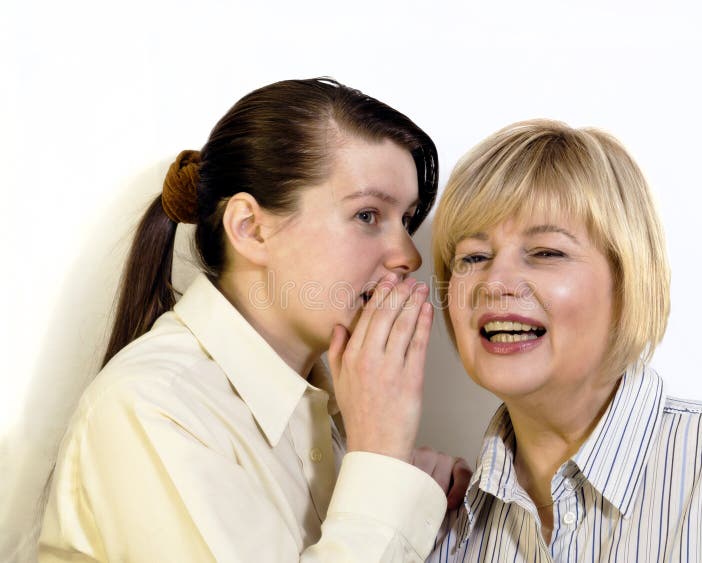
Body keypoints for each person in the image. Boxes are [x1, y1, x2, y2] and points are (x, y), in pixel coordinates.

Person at [39, 78, 470, 562]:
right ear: (251, 229)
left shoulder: (330, 415)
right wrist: (381, 462)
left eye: (408, 219)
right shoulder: (153, 407)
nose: (408, 255)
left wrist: (402, 488)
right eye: (368, 215)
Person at [428, 119, 702, 561]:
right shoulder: (439, 524)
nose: (496, 282)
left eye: (547, 252)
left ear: (627, 280)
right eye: (474, 257)